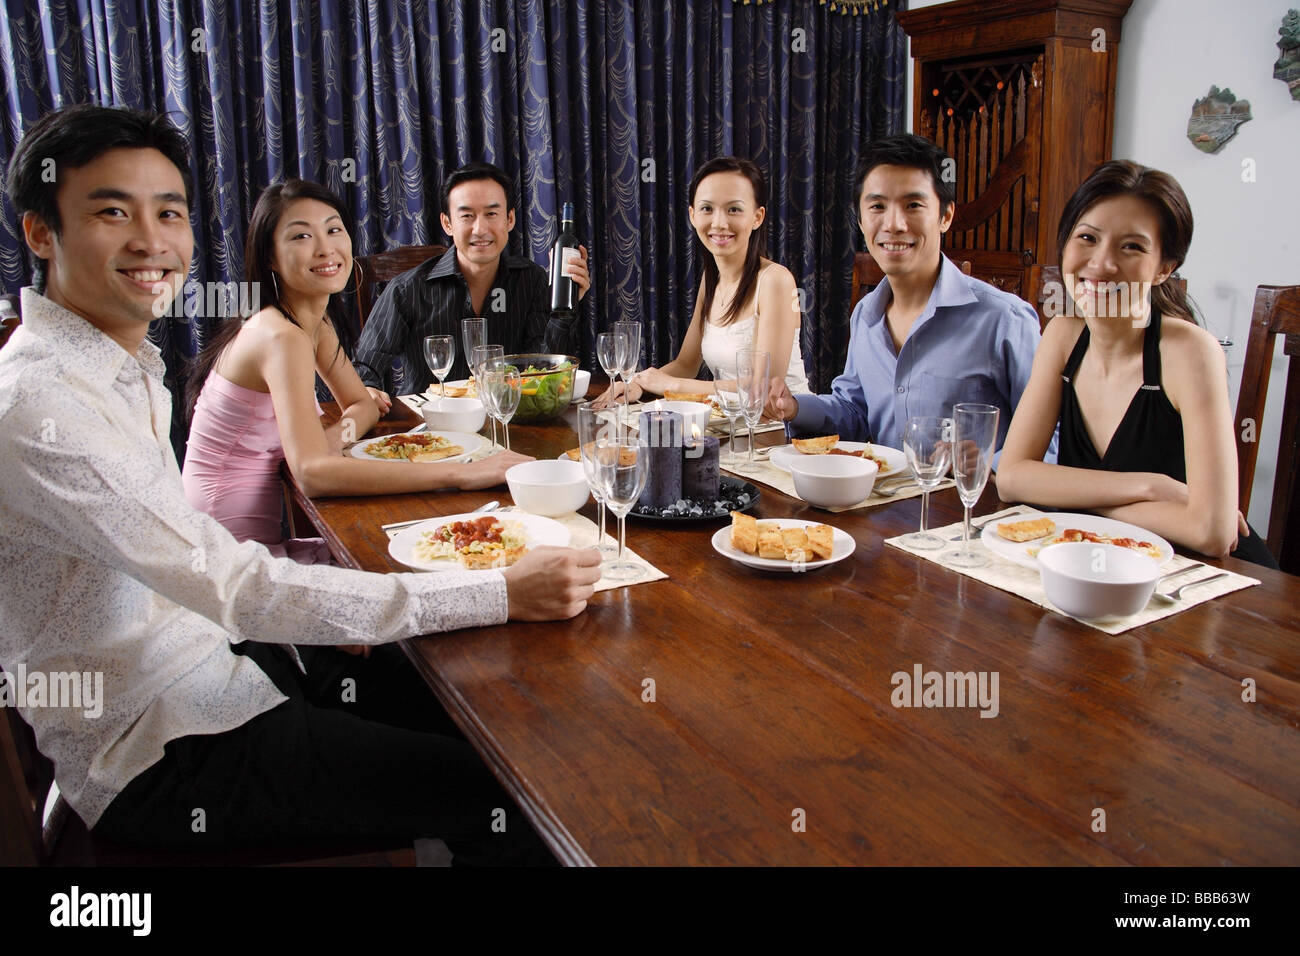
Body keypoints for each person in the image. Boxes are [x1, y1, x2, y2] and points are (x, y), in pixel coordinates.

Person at [0, 104, 602, 862]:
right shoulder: (40, 404)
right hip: (162, 748)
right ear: (39, 232)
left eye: (170, 213)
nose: (151, 240)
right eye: (113, 212)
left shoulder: (118, 366)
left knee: (481, 709)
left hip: (214, 667)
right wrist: (505, 591)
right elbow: (234, 583)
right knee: (525, 789)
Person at [181, 179, 531, 563]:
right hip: (230, 560)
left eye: (334, 230)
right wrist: (465, 473)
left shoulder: (313, 323)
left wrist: (331, 441)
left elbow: (362, 406)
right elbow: (314, 475)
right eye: (301, 236)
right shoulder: (280, 335)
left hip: (256, 542)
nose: (325, 248)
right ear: (269, 256)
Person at [995, 161, 1275, 566]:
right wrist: (1152, 487)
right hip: (1100, 565)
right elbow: (1012, 478)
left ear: (1164, 268)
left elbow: (1213, 533)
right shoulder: (1062, 336)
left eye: (1132, 247)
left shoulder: (1191, 352)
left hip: (1208, 578)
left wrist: (1076, 502)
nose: (1103, 263)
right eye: (1087, 237)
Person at [765, 134, 1049, 460]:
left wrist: (988, 463)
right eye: (877, 207)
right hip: (882, 505)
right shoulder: (866, 314)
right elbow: (855, 411)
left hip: (974, 507)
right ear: (860, 219)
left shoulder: (1004, 319)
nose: (894, 224)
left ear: (945, 216)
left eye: (913, 205)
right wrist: (795, 407)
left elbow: (1052, 440)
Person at [353, 161, 591, 394]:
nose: (480, 229)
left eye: (491, 213)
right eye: (467, 216)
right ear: (447, 223)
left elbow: (545, 372)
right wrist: (370, 392)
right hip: (432, 425)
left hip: (510, 421)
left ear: (509, 219)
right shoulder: (406, 290)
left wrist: (564, 312)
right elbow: (365, 368)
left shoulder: (531, 280)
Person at [593, 156, 809, 405]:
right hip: (733, 424)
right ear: (693, 215)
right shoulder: (712, 279)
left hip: (785, 429)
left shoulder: (775, 280)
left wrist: (670, 385)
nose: (719, 223)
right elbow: (686, 364)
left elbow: (764, 388)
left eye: (734, 209)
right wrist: (637, 385)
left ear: (757, 217)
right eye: (707, 209)